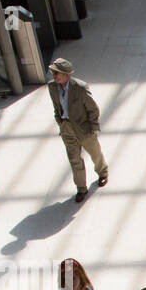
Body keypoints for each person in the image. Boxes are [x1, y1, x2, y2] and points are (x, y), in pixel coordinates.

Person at [47, 58, 107, 204]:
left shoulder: (80, 87)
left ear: (66, 74)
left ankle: (103, 172)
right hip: (66, 128)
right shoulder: (52, 87)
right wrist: (60, 122)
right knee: (74, 159)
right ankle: (81, 188)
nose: (54, 76)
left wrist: (93, 127)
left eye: (57, 73)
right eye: (53, 72)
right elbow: (56, 107)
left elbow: (93, 109)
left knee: (95, 153)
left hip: (83, 128)